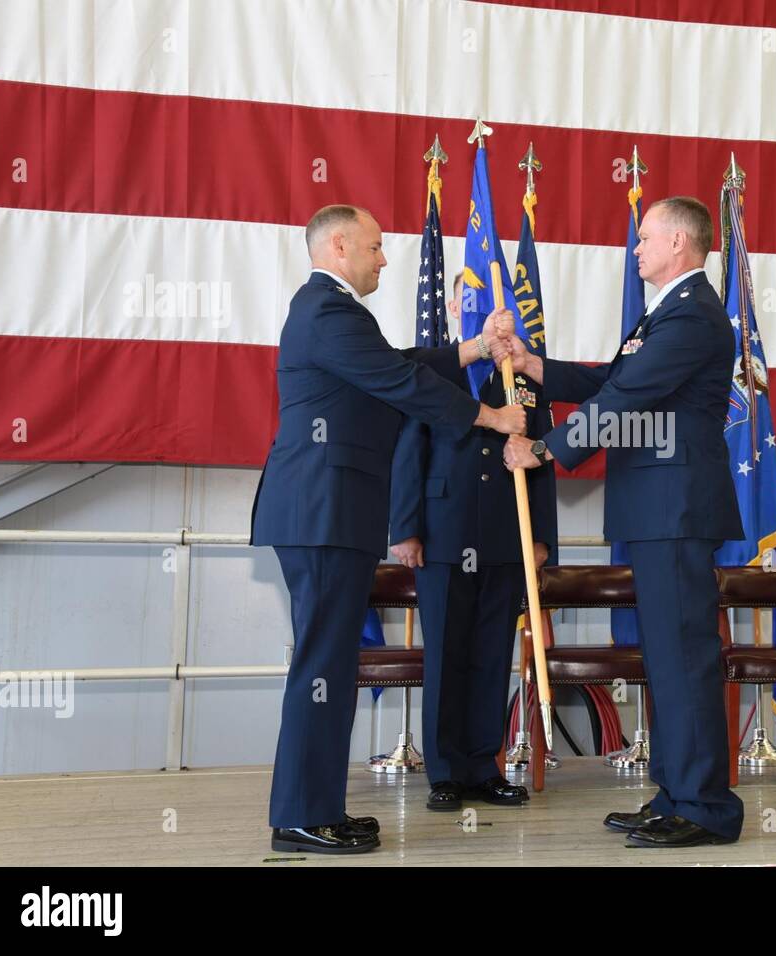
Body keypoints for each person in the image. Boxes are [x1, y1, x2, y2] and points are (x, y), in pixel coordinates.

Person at [251, 204, 524, 854]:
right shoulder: (326, 310)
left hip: (331, 511)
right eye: (375, 246)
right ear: (340, 245)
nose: (384, 258)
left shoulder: (333, 313)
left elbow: (402, 360)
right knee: (322, 663)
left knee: (332, 663)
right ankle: (299, 815)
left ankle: (316, 808)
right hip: (321, 511)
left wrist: (477, 348)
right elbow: (400, 380)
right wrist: (491, 419)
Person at [502, 197, 745, 848]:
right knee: (664, 656)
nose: (635, 250)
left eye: (644, 239)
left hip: (676, 506)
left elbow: (626, 398)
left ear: (678, 245)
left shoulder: (693, 316)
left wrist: (547, 448)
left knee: (685, 656)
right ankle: (676, 792)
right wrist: (534, 368)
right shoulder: (667, 314)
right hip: (655, 506)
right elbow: (615, 377)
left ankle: (707, 808)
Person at [389, 274, 557, 813]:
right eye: (489, 322)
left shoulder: (525, 379)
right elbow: (408, 448)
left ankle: (484, 767)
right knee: (444, 655)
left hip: (507, 533)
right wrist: (405, 528)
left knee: (490, 655)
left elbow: (544, 456)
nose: (500, 330)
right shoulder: (439, 371)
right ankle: (443, 770)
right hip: (443, 532)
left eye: (506, 324)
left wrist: (542, 540)